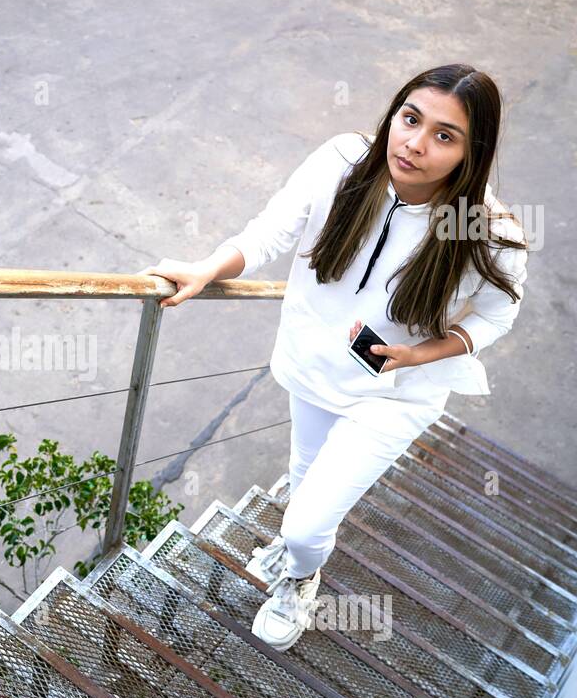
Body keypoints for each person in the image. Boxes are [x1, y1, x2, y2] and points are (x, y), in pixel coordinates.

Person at [136, 63, 531, 652]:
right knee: (304, 482)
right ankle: (298, 559)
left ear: (472, 155)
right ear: (394, 113)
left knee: (304, 522)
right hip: (315, 366)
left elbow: (499, 313)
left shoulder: (487, 231)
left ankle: (299, 573)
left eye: (444, 136)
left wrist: (423, 354)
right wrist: (207, 268)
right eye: (410, 119)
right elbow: (269, 232)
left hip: (396, 393)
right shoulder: (342, 163)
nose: (415, 145)